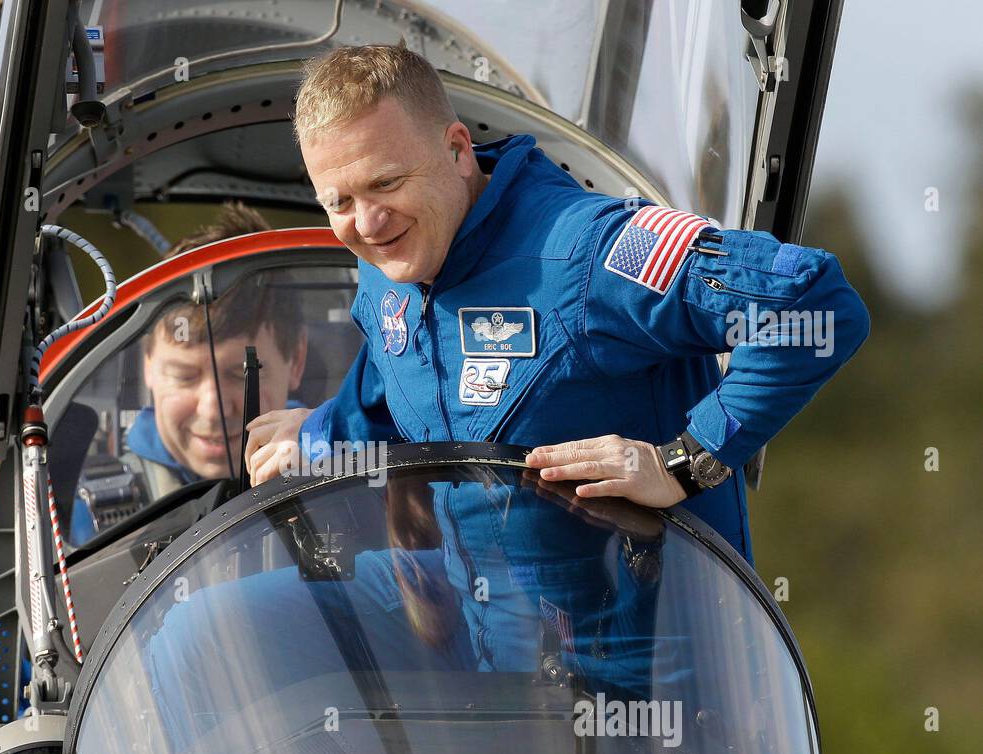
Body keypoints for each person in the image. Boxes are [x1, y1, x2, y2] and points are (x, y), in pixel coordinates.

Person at [244, 43, 870, 564]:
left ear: (458, 150)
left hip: (648, 685)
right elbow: (402, 384)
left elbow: (812, 305)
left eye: (386, 183)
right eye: (340, 202)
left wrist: (686, 460)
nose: (369, 222)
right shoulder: (390, 268)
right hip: (491, 678)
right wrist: (322, 435)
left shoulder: (589, 255)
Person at [69, 203, 308, 541]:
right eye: (184, 377)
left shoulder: (346, 473)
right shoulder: (83, 517)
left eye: (243, 376)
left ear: (296, 360)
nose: (212, 410)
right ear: (147, 366)